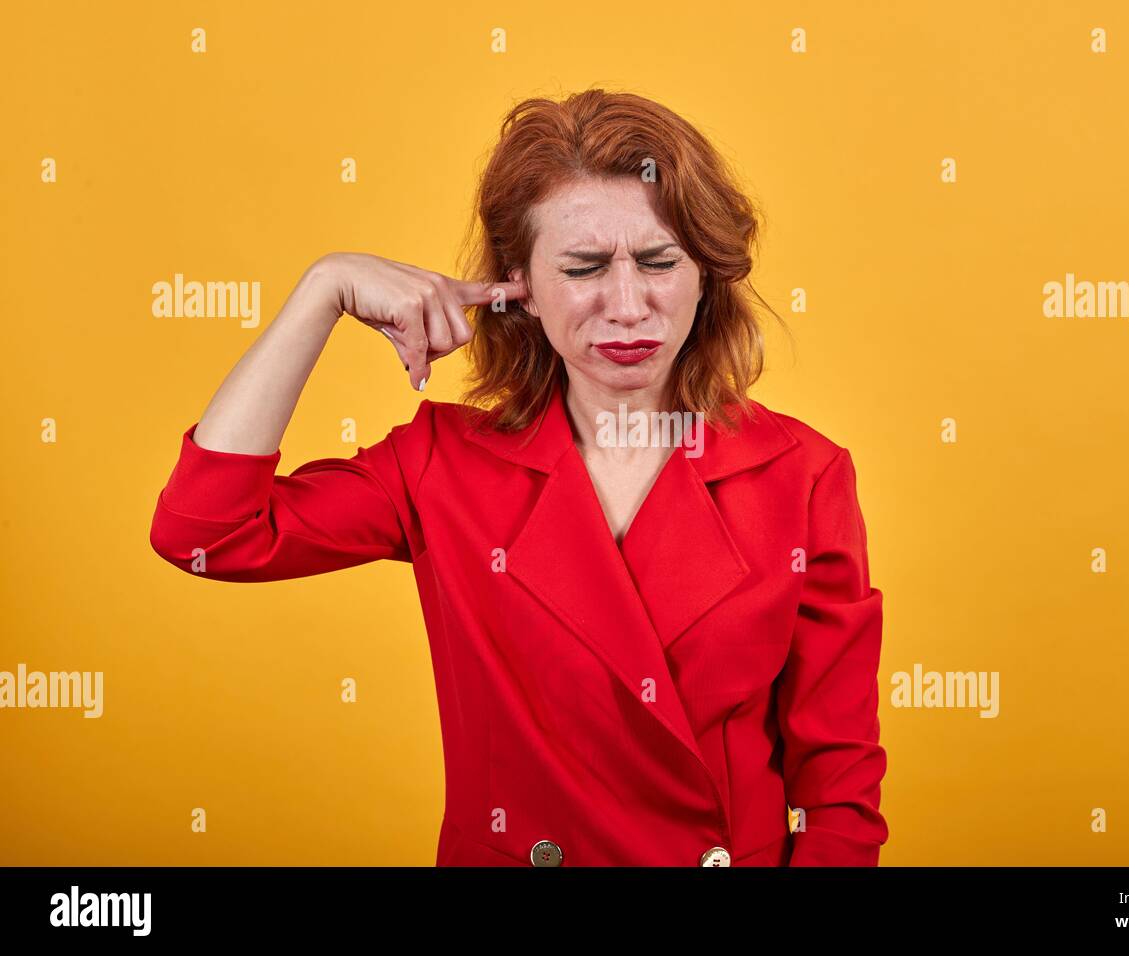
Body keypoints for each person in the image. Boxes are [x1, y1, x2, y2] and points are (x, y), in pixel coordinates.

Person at [149, 88, 889, 866]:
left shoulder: (803, 475)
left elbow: (838, 785)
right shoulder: (445, 465)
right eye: (583, 268)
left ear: (706, 274)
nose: (628, 305)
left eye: (661, 261)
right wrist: (322, 290)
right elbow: (206, 533)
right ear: (520, 288)